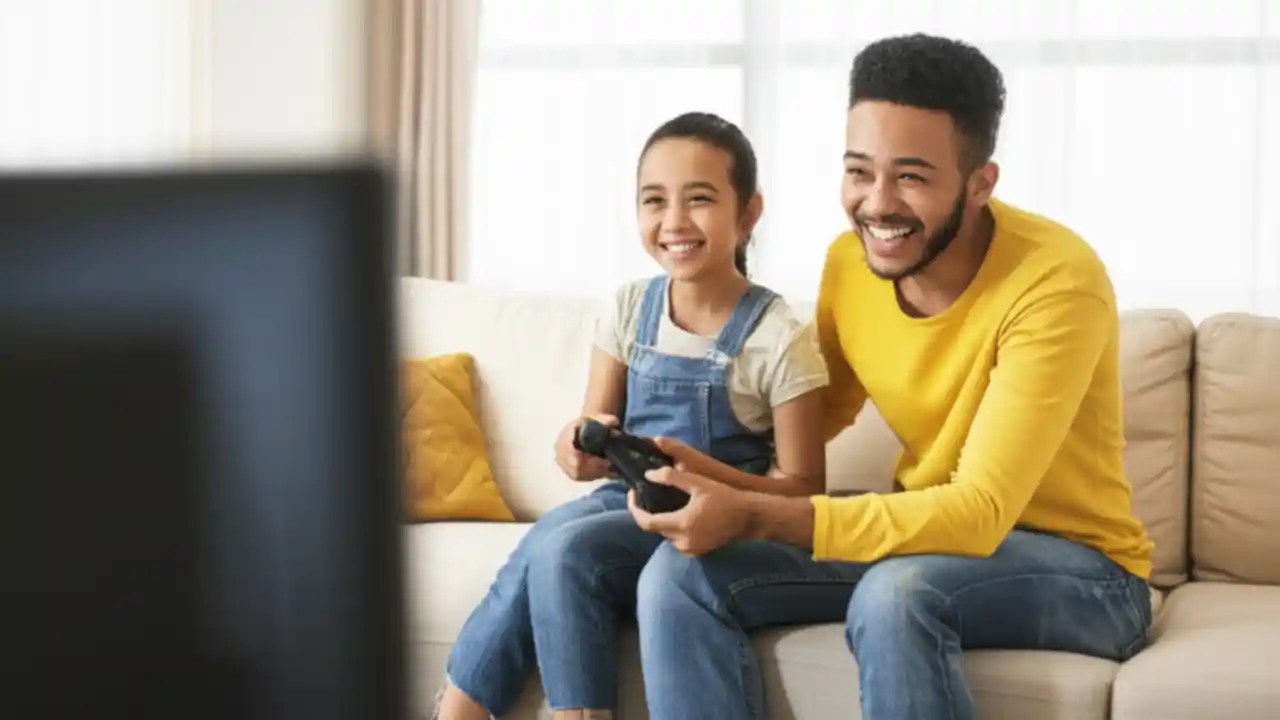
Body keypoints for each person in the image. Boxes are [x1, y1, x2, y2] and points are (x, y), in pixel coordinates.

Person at [626, 34, 1156, 720]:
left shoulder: (1056, 283)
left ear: (979, 183)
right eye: (858, 171)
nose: (876, 204)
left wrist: (759, 512)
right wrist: (701, 462)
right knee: (681, 575)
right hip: (927, 539)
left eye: (910, 176)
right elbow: (810, 417)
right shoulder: (851, 263)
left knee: (898, 594)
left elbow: (977, 513)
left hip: (1087, 573)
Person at [435, 111, 830, 720]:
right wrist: (574, 445)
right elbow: (593, 426)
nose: (674, 221)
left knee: (562, 549)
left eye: (699, 199)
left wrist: (707, 473)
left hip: (710, 516)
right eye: (654, 200)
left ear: (748, 214)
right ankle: (461, 708)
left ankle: (474, 710)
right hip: (622, 498)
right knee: (553, 539)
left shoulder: (778, 337)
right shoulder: (629, 307)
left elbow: (806, 491)